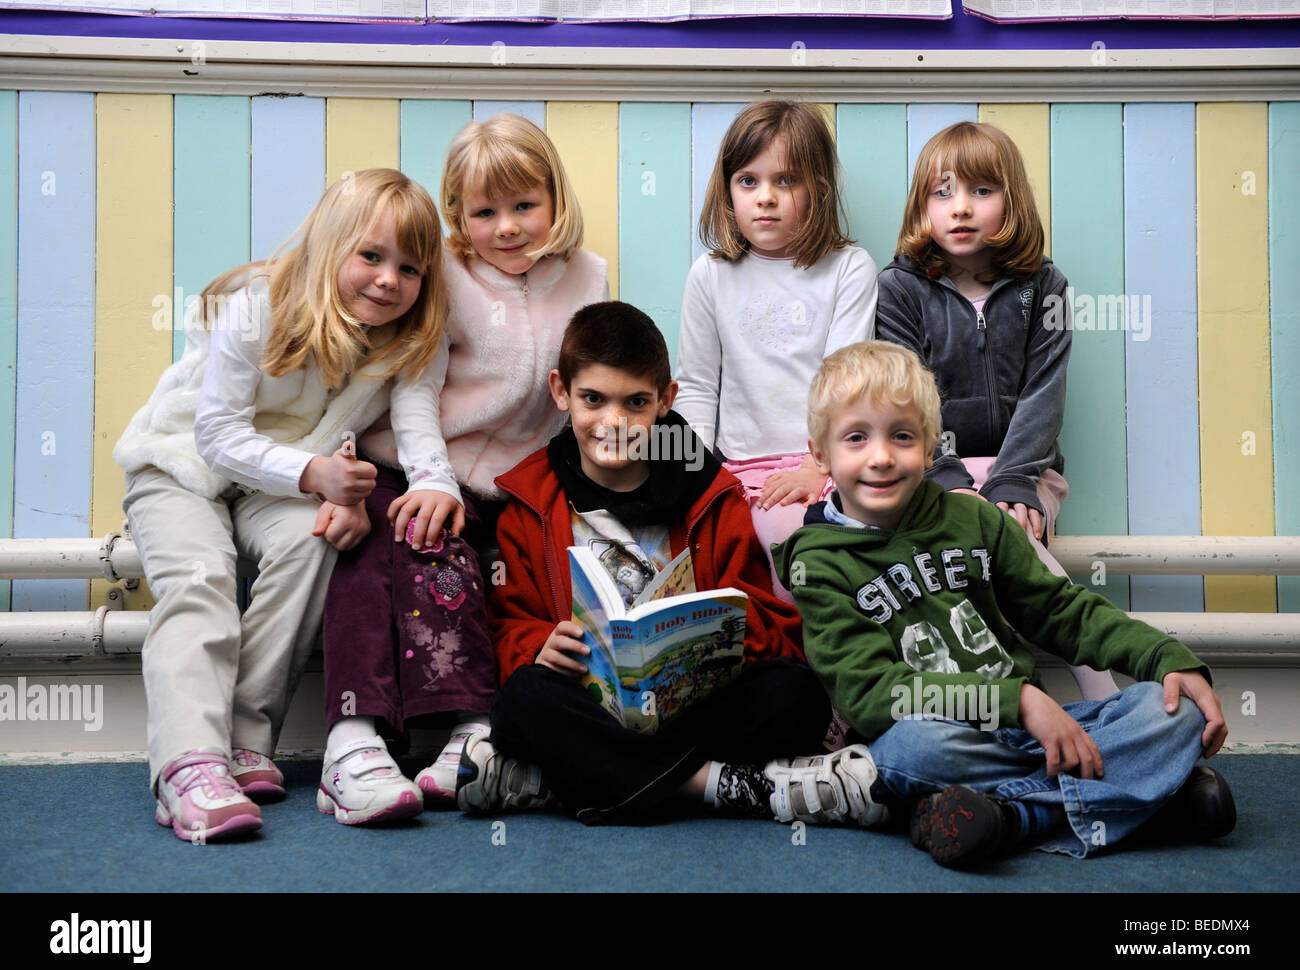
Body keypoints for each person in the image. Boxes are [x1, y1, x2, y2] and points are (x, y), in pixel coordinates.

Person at [774, 341, 1235, 868]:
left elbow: (1063, 611)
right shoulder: (818, 562)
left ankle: (1013, 817)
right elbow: (871, 696)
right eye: (856, 438)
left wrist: (1164, 656)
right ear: (820, 454)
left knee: (1172, 710)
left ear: (929, 449)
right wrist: (1018, 701)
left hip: (1033, 737)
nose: (880, 456)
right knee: (910, 750)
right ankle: (1149, 799)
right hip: (947, 743)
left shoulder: (975, 520)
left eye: (901, 436)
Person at [114, 168, 446, 840]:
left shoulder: (402, 340)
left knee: (312, 542)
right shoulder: (261, 304)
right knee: (202, 579)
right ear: (329, 248)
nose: (388, 280)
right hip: (182, 466)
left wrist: (434, 482)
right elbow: (216, 433)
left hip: (276, 485)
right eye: (371, 257)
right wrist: (317, 472)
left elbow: (417, 423)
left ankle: (242, 738)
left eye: (409, 269)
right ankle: (188, 762)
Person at [458, 301, 882, 829]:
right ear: (560, 391)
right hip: (590, 701)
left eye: (636, 402)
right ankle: (724, 787)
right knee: (521, 703)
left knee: (797, 696)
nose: (614, 422)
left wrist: (718, 638)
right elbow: (508, 626)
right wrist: (538, 646)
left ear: (666, 400)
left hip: (694, 705)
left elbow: (773, 623)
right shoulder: (530, 499)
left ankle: (561, 780)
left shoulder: (711, 491)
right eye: (593, 399)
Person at [316, 114, 609, 824]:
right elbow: (415, 385)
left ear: (555, 200)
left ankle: (473, 728)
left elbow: (583, 389)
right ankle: (355, 736)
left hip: (518, 480)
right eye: (485, 212)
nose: (506, 227)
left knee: (515, 571)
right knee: (401, 544)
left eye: (523, 207)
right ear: (457, 216)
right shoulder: (446, 273)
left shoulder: (588, 275)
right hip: (416, 460)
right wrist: (432, 480)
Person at [876, 120, 1116, 701]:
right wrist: (947, 479)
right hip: (933, 475)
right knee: (959, 562)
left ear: (1011, 200)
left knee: (1015, 542)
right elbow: (910, 400)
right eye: (944, 192)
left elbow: (1044, 393)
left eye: (981, 191)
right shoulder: (900, 289)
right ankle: (994, 708)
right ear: (922, 205)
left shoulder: (1045, 286)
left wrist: (1012, 478)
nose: (960, 208)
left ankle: (1107, 698)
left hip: (1025, 472)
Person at [675, 99, 877, 590]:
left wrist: (815, 467)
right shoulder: (711, 275)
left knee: (804, 559)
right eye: (748, 181)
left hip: (822, 465)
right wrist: (693, 476)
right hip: (738, 469)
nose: (764, 197)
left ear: (818, 190)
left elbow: (845, 385)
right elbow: (698, 387)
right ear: (727, 192)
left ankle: (818, 661)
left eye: (785, 180)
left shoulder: (849, 268)